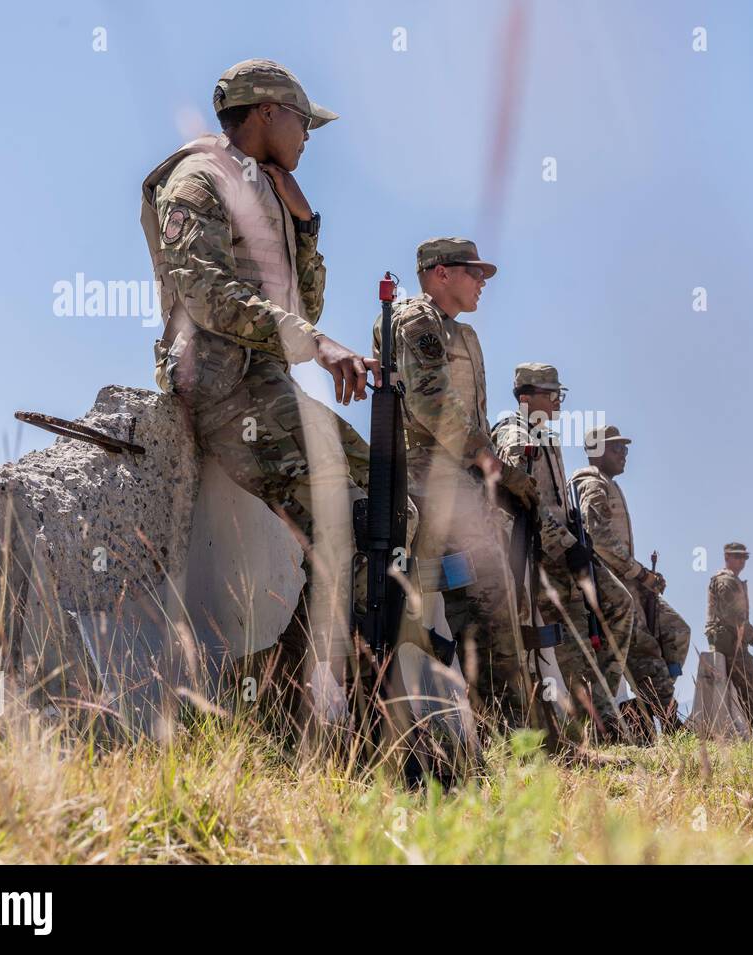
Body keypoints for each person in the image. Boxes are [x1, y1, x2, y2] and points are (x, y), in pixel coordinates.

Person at [139, 58, 377, 736]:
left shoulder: (263, 187)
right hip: (221, 390)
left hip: (264, 386)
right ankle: (287, 701)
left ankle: (276, 686)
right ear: (268, 111)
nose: (308, 136)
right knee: (356, 522)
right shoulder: (198, 178)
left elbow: (303, 303)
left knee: (391, 505)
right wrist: (318, 345)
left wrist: (303, 226)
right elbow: (208, 294)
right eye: (304, 121)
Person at [373, 238, 538, 733]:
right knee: (482, 604)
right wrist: (498, 469)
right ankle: (511, 734)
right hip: (430, 489)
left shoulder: (459, 333)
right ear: (440, 273)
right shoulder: (415, 320)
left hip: (461, 492)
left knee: (486, 608)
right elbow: (433, 407)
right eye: (474, 272)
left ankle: (496, 734)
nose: (482, 281)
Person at [491, 364, 636, 742]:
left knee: (618, 607)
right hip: (541, 556)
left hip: (568, 551)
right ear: (526, 396)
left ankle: (600, 716)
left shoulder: (549, 438)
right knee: (569, 648)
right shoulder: (512, 430)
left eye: (560, 394)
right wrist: (567, 547)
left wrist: (577, 544)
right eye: (550, 393)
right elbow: (522, 494)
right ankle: (594, 728)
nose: (557, 401)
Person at [572, 426, 690, 731]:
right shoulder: (591, 483)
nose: (624, 454)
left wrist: (643, 578)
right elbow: (597, 536)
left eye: (625, 449)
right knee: (642, 651)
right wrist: (638, 573)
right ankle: (656, 718)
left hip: (630, 585)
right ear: (596, 451)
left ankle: (649, 710)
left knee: (674, 632)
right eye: (616, 449)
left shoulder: (607, 483)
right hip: (609, 588)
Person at [704, 543, 753, 739]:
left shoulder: (732, 580)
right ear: (727, 556)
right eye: (737, 556)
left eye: (745, 557)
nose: (742, 561)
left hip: (732, 641)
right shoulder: (726, 581)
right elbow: (732, 617)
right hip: (729, 643)